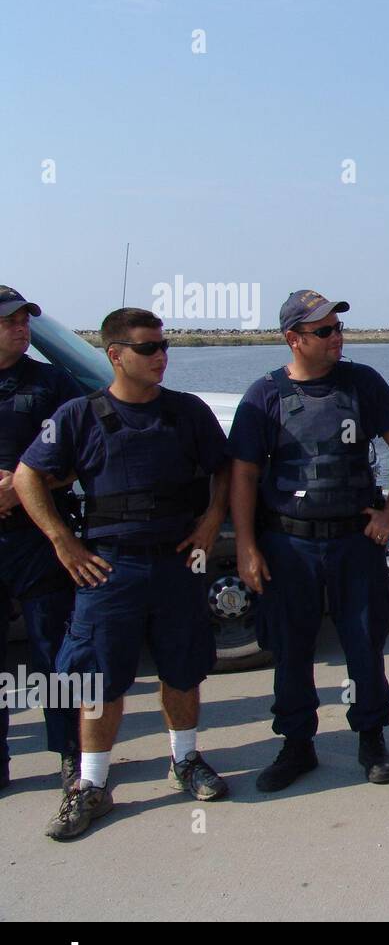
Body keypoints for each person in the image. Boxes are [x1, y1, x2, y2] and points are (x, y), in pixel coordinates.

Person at [15, 307, 231, 840]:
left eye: (163, 346)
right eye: (148, 348)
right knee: (101, 677)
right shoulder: (78, 416)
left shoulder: (188, 412)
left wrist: (210, 522)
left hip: (178, 565)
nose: (161, 356)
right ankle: (91, 785)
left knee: (182, 670)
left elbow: (226, 468)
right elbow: (27, 477)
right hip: (111, 569)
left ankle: (185, 760)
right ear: (116, 355)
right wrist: (62, 542)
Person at [230, 290, 389, 792]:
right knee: (290, 647)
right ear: (293, 339)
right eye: (324, 331)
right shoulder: (263, 396)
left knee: (365, 642)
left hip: (356, 543)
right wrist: (247, 547)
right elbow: (243, 474)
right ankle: (296, 744)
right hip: (289, 546)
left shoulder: (362, 383)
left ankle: (372, 738)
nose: (337, 337)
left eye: (338, 328)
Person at [0, 287, 81, 794]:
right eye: (9, 320)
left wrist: (22, 485)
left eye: (25, 319)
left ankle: (72, 755)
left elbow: (82, 452)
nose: (21, 327)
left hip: (40, 535)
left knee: (57, 651)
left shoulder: (52, 383)